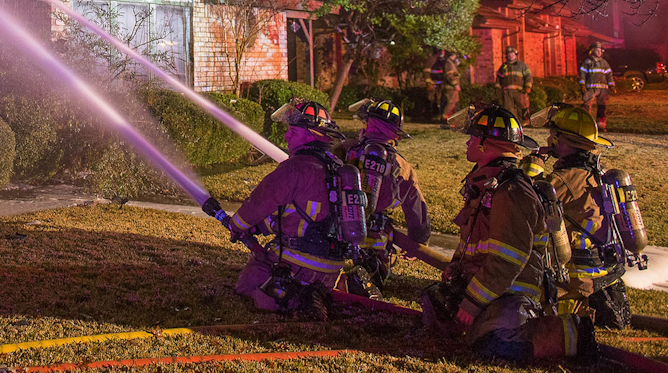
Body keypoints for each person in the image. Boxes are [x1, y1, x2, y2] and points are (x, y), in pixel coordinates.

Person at [420, 104, 593, 361]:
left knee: (493, 343)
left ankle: (574, 333)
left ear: (485, 144)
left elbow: (508, 260)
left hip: (513, 293)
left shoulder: (511, 192)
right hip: (490, 287)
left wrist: (472, 303)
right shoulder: (486, 185)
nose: (468, 142)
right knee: (434, 306)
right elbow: (471, 238)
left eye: (473, 137)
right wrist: (456, 266)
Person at [223, 99, 349, 320]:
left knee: (247, 284)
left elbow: (255, 206)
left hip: (299, 263)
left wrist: (237, 225)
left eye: (293, 131)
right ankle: (319, 293)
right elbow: (300, 215)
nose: (286, 136)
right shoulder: (338, 169)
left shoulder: (293, 169)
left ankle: (300, 300)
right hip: (332, 269)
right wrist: (260, 228)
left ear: (311, 135)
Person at [536, 105, 635, 327]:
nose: (550, 139)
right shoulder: (596, 173)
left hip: (576, 281)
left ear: (562, 140)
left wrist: (533, 169)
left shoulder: (560, 181)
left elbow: (526, 206)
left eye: (553, 134)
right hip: (604, 271)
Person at [342, 99, 431, 288]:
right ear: (396, 135)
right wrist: (419, 240)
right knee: (374, 274)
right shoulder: (402, 166)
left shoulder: (347, 150)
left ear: (367, 124)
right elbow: (416, 207)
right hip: (377, 234)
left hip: (341, 224)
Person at [578, 43, 615, 130]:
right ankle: (586, 125)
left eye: (600, 51)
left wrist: (612, 86)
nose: (599, 52)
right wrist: (582, 85)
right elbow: (582, 74)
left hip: (603, 89)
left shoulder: (604, 63)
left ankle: (601, 125)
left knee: (602, 107)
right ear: (592, 51)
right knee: (586, 106)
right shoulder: (587, 62)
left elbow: (609, 75)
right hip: (590, 88)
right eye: (597, 50)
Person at [497, 46, 534, 125]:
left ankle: (525, 123)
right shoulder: (503, 67)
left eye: (512, 54)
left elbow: (528, 76)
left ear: (516, 55)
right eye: (508, 54)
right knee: (508, 109)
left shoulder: (522, 65)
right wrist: (498, 90)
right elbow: (498, 79)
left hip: (520, 92)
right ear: (506, 56)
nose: (510, 56)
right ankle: (511, 124)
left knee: (523, 107)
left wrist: (528, 86)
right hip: (507, 93)